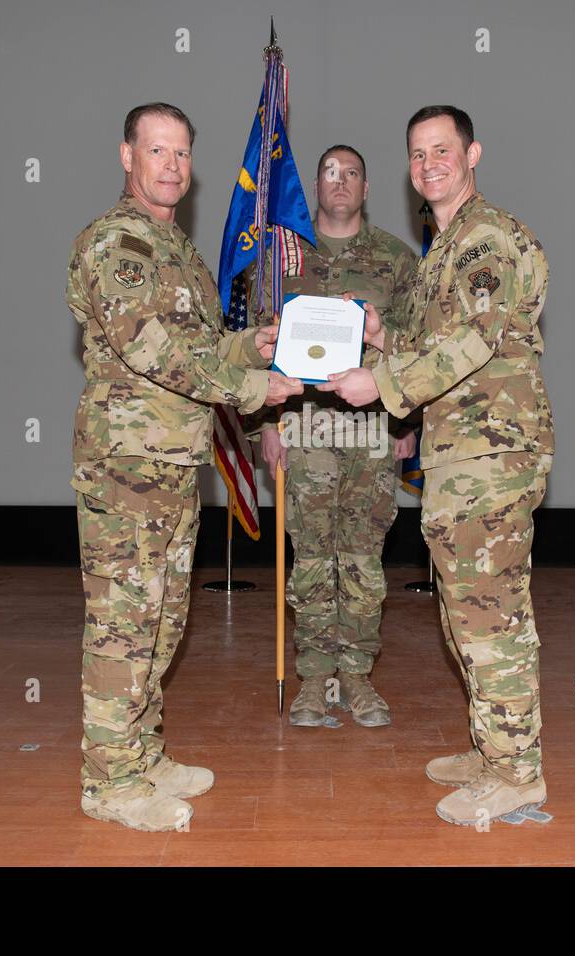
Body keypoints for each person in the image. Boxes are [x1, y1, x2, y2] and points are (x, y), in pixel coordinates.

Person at [66, 102, 302, 831]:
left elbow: (201, 349)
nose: (171, 165)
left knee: (164, 621)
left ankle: (142, 753)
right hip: (126, 470)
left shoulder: (179, 253)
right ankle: (109, 782)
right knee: (122, 625)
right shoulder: (116, 243)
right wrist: (247, 386)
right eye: (156, 150)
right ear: (127, 156)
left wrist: (251, 348)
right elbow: (151, 350)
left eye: (181, 154)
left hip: (173, 464)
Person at [318, 106, 553, 825]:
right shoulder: (441, 252)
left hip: (491, 452)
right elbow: (425, 344)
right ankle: (494, 748)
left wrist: (382, 387)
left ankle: (517, 774)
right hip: (459, 453)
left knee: (491, 617)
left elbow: (475, 343)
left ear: (472, 152)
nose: (429, 165)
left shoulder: (486, 237)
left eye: (442, 150)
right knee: (464, 615)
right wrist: (381, 334)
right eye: (418, 155)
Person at [252, 144, 419, 728]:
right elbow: (258, 345)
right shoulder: (283, 260)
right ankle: (314, 677)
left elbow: (416, 347)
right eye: (329, 173)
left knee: (363, 556)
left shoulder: (396, 260)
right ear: (315, 188)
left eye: (351, 174)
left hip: (373, 427)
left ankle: (358, 678)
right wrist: (268, 425)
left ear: (367, 188)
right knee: (313, 555)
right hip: (303, 425)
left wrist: (405, 422)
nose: (340, 182)